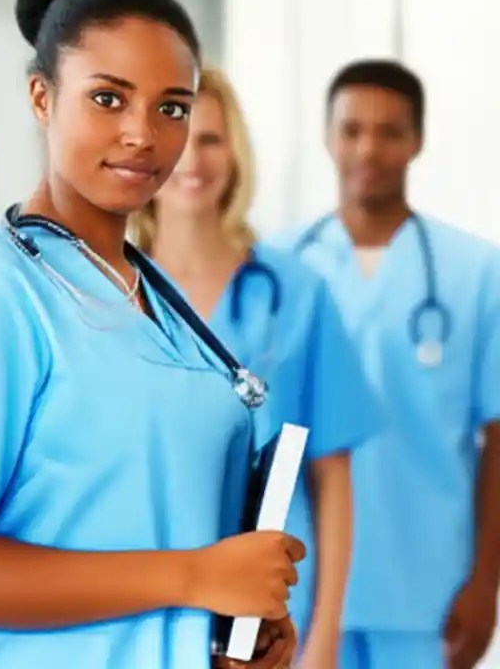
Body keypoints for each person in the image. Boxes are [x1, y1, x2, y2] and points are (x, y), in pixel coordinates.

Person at [0, 0, 305, 668]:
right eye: (109, 99)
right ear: (41, 98)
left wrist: (228, 626)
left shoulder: (155, 304)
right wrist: (195, 576)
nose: (143, 133)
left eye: (172, 107)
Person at [134, 67, 377, 666]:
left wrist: (323, 639)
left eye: (211, 139)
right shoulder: (108, 291)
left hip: (274, 609)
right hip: (146, 600)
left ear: (236, 153)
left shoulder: (296, 293)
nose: (194, 160)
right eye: (180, 136)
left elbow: (332, 477)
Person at [278, 60, 500, 669]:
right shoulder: (276, 267)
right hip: (298, 582)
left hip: (425, 588)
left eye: (389, 132)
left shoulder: (477, 271)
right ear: (327, 137)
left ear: (417, 141)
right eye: (352, 130)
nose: (368, 149)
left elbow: (498, 438)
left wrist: (487, 583)